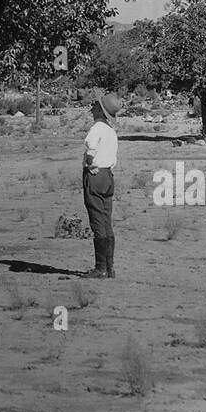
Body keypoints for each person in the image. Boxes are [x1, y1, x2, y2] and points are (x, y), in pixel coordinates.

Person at [82, 90, 121, 278]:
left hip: (96, 176)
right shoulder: (111, 131)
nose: (92, 108)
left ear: (100, 109)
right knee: (106, 222)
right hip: (108, 176)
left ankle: (100, 268)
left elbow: (91, 150)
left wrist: (90, 164)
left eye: (95, 106)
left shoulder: (97, 128)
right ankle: (110, 267)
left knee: (97, 222)